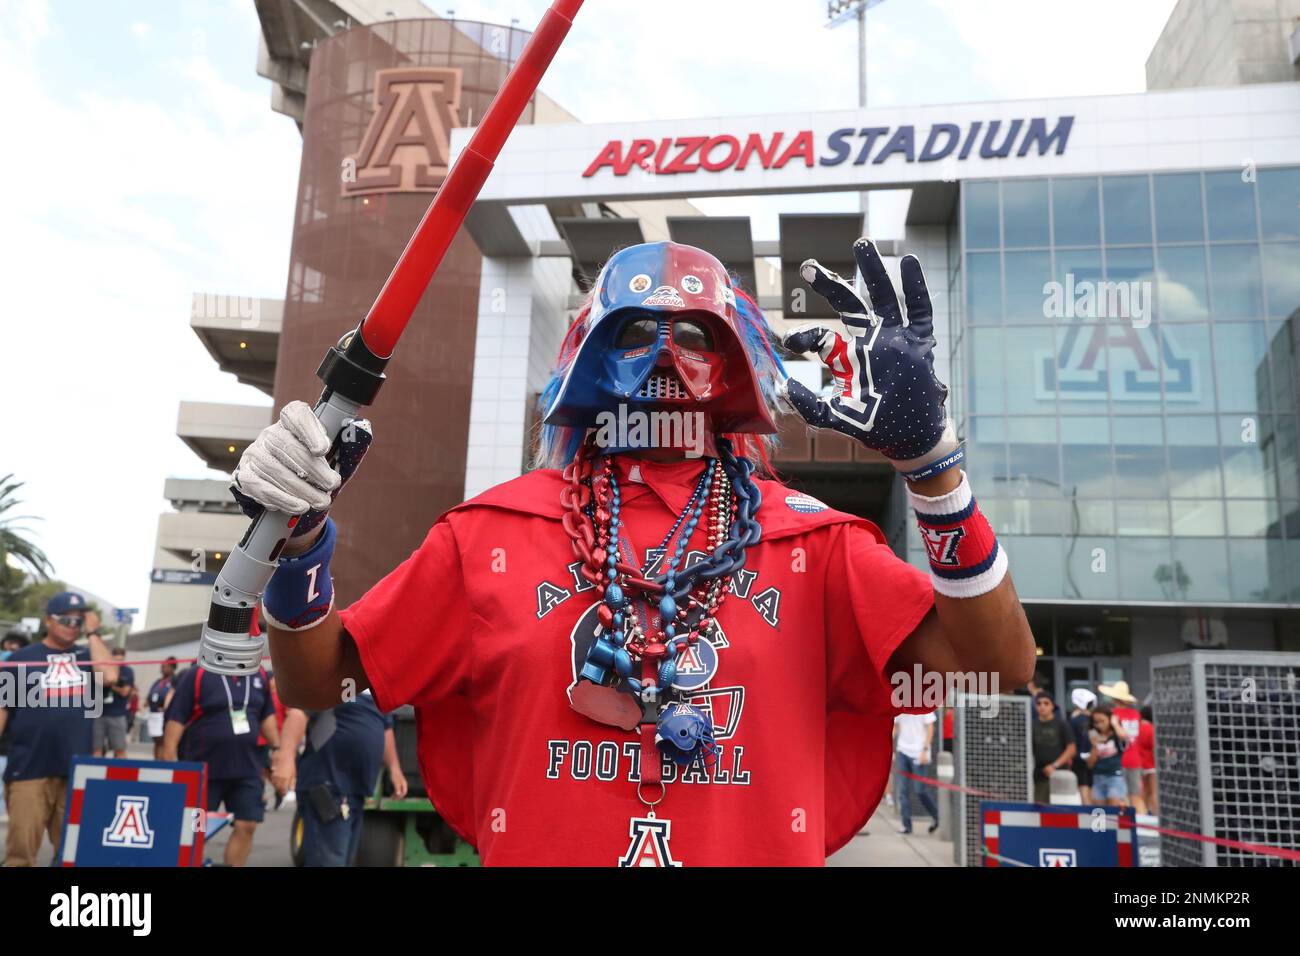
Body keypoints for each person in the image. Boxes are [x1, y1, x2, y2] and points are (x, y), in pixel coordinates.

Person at [240, 239, 1036, 866]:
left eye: (695, 336)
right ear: (587, 358)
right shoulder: (489, 532)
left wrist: (934, 474)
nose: (665, 357)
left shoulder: (813, 542)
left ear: (733, 367)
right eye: (633, 333)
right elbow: (319, 678)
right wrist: (300, 541)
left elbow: (996, 670)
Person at [0, 593, 118, 866]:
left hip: (77, 770)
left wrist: (94, 632)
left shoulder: (88, 656)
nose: (72, 625)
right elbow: (3, 708)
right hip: (29, 768)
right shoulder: (21, 658)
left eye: (78, 621)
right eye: (65, 619)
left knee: (72, 854)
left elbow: (110, 676)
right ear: (48, 621)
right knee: (20, 854)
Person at [271, 690, 408, 866]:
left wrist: (395, 769)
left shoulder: (377, 685)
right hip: (328, 787)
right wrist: (286, 756)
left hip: (356, 791)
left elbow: (385, 728)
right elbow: (299, 712)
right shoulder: (334, 675)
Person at [161, 664, 280, 866]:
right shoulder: (198, 673)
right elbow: (176, 718)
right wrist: (171, 762)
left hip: (248, 767)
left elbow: (266, 715)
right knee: (195, 829)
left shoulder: (258, 674)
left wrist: (277, 750)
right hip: (204, 769)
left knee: (247, 824)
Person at [1100, 679, 1144, 813]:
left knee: (1122, 796)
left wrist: (1114, 724)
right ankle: (1142, 824)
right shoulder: (1136, 714)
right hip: (1135, 758)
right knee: (1136, 795)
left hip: (1120, 759)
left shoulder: (1113, 715)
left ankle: (1126, 825)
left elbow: (1118, 735)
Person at [892, 712, 939, 835]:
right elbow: (895, 726)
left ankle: (937, 816)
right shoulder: (899, 704)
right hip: (902, 751)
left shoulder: (923, 702)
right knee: (902, 792)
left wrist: (925, 749)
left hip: (919, 752)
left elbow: (930, 727)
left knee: (920, 790)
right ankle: (906, 825)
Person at [1030, 691, 1076, 804]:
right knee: (1039, 809)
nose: (1042, 706)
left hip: (1060, 773)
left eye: (1046, 703)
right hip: (1039, 775)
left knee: (1061, 809)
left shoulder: (1062, 724)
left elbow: (1071, 749)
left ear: (1052, 706)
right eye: (1039, 703)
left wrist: (1054, 766)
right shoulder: (1031, 724)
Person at [93, 646, 134, 758]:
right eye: (116, 660)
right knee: (97, 749)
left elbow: (125, 692)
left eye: (121, 660)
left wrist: (110, 683)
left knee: (119, 749)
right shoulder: (101, 669)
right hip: (99, 714)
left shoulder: (127, 671)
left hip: (117, 714)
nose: (118, 664)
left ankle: (121, 774)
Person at [1087, 706, 1127, 806]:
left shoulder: (1115, 735)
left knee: (1114, 807)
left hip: (1114, 776)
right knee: (1099, 811)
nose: (1099, 725)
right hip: (1098, 777)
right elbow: (1090, 764)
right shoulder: (1093, 736)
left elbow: (1123, 736)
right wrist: (1094, 747)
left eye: (1102, 721)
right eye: (1096, 722)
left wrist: (1115, 722)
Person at [145, 657, 178, 759]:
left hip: (165, 715)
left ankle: (164, 762)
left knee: (164, 741)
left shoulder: (175, 681)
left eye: (164, 667)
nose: (162, 669)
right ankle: (157, 761)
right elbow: (150, 695)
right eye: (161, 666)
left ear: (172, 668)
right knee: (157, 741)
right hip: (154, 714)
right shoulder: (158, 682)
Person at [1068, 688, 1096, 804]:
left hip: (1078, 758)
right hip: (1094, 756)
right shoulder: (1095, 719)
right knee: (1092, 788)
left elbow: (1071, 740)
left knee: (1083, 788)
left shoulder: (1073, 720)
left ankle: (1088, 815)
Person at [1135, 704, 1157, 815]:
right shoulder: (1152, 729)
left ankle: (1142, 816)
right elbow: (1154, 748)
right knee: (1154, 792)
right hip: (1152, 764)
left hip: (1138, 764)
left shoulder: (1136, 728)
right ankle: (1156, 816)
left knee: (1143, 793)